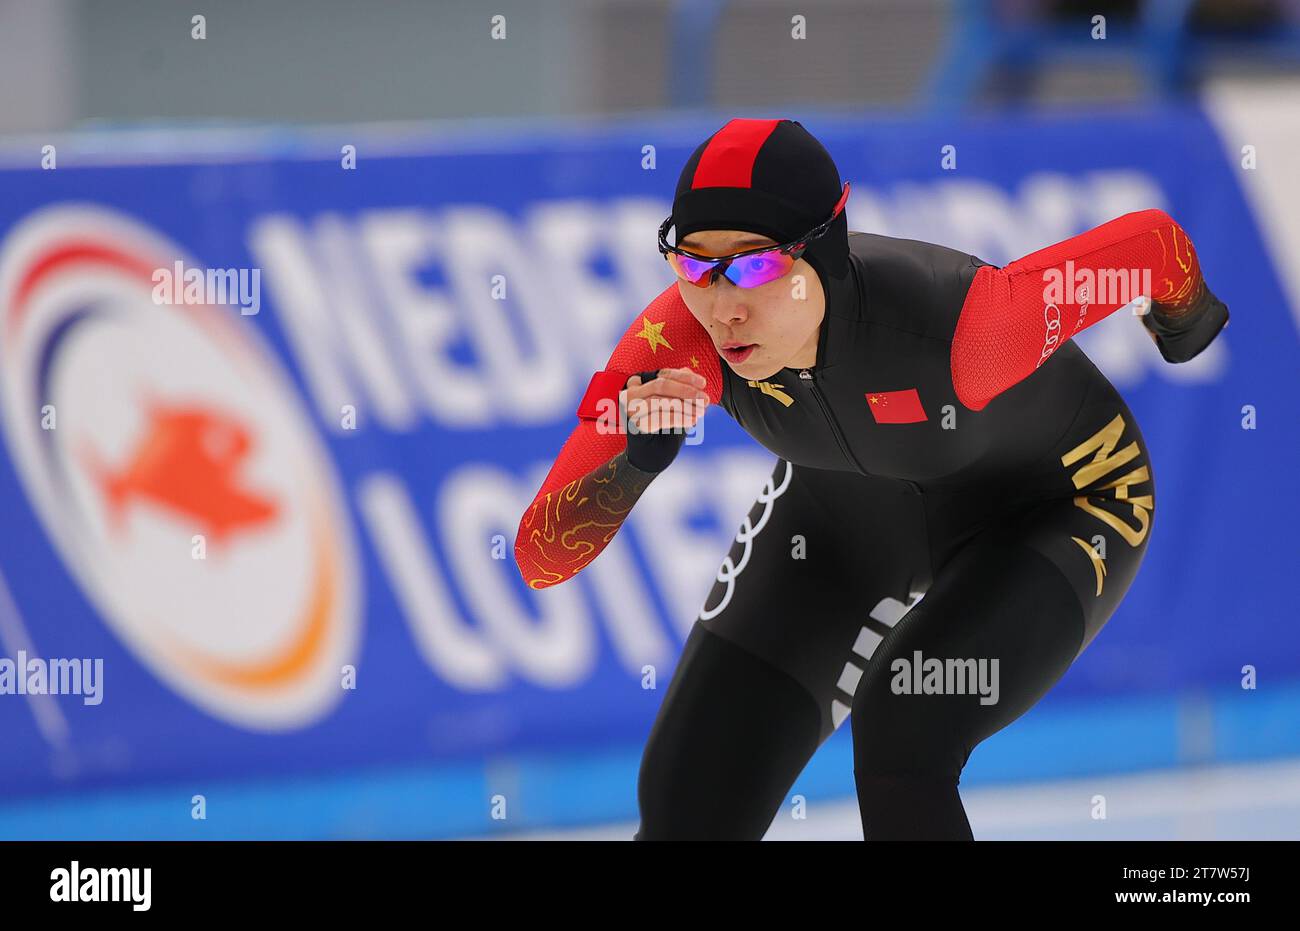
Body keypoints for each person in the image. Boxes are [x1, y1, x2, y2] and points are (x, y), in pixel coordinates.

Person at [513, 118, 1229, 840]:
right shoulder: (677, 340)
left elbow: (1149, 242)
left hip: (1057, 503)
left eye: (756, 266)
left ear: (821, 253)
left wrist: (1187, 318)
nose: (725, 304)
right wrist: (636, 463)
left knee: (905, 720)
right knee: (686, 801)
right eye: (695, 265)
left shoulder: (967, 333)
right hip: (848, 514)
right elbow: (540, 555)